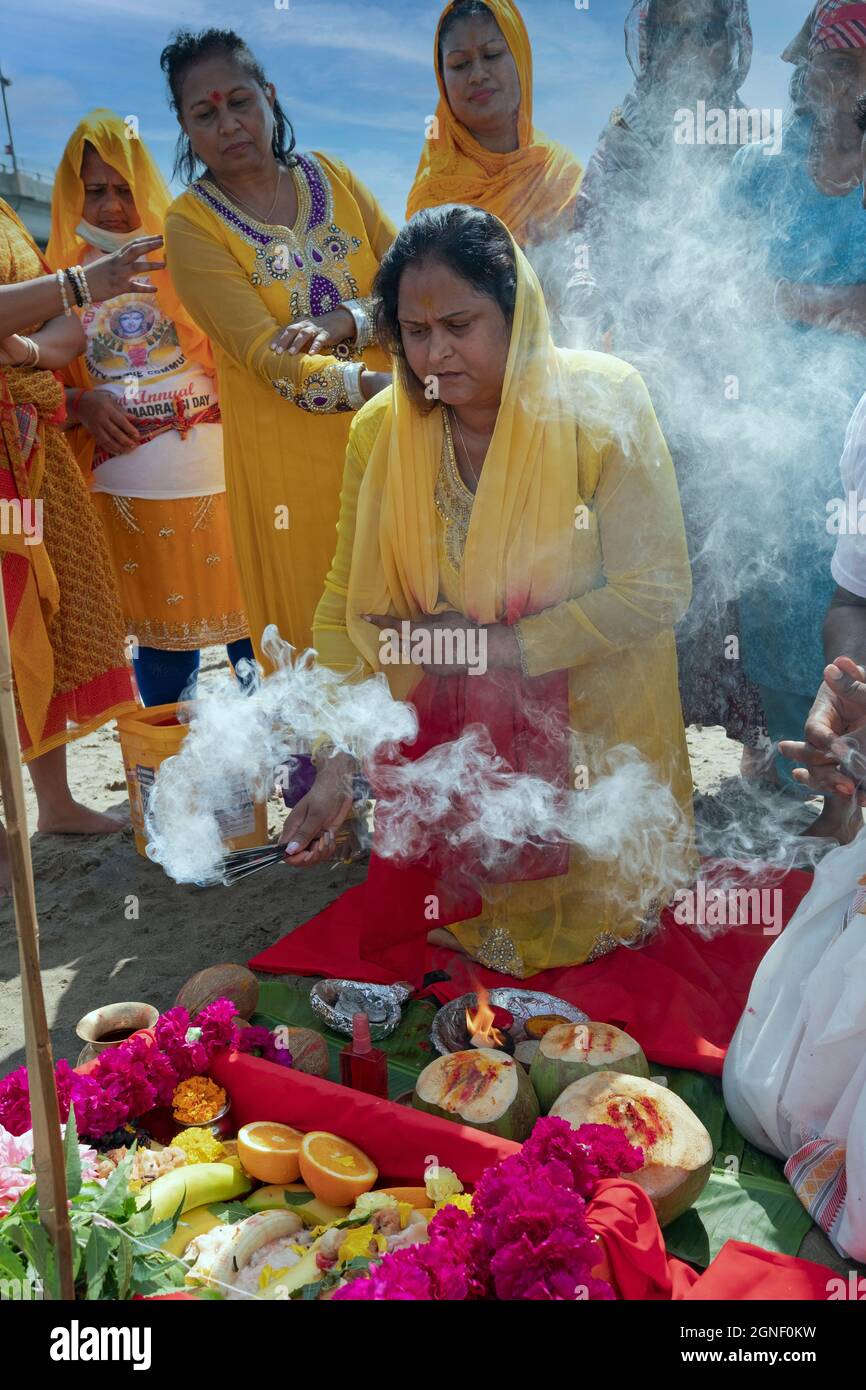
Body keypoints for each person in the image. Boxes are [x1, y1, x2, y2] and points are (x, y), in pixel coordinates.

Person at [275, 206, 696, 980]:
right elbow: (346, 607)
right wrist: (337, 759)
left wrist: (494, 646)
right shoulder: (380, 430)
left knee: (607, 938)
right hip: (457, 739)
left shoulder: (601, 406)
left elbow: (657, 589)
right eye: (414, 330)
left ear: (517, 312)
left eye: (460, 324)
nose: (435, 353)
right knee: (477, 926)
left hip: (597, 726)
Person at [571, 0, 765, 775]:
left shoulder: (756, 140)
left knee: (747, 574)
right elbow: (586, 271)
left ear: (733, 41)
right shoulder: (620, 143)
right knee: (656, 578)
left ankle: (761, 751)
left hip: (751, 397)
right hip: (648, 399)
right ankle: (657, 764)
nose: (691, 46)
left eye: (708, 28)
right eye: (674, 28)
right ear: (647, 42)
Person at [161, 28, 395, 665]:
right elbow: (264, 353)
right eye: (204, 113)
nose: (228, 123)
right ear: (185, 127)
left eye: (240, 101)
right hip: (290, 468)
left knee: (411, 630)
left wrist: (351, 318)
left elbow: (418, 289)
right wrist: (373, 387)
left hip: (394, 446)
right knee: (321, 647)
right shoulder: (191, 225)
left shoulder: (335, 178)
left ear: (269, 95)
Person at [46, 110, 253, 706]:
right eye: (94, 191)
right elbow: (30, 388)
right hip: (126, 493)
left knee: (257, 636)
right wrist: (81, 402)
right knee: (164, 647)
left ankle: (291, 778)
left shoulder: (187, 257)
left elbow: (242, 352)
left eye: (123, 189)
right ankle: (167, 783)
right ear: (71, 195)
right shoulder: (55, 280)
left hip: (223, 481)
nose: (112, 206)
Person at [726, 0, 866, 837]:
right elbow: (713, 285)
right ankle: (797, 764)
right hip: (760, 428)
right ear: (803, 69)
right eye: (833, 62)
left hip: (858, 436)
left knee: (849, 593)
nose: (843, 81)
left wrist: (794, 301)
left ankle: (847, 793)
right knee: (777, 597)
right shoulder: (757, 171)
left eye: (857, 66)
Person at [0, 200, 162, 883]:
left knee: (42, 610)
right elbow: (66, 300)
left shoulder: (6, 218)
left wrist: (25, 349)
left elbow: (61, 333)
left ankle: (55, 803)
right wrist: (77, 284)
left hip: (29, 444)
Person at [405, 0, 583, 251]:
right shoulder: (433, 196)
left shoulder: (560, 173)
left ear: (520, 58)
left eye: (492, 55)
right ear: (442, 80)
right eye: (460, 64)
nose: (478, 74)